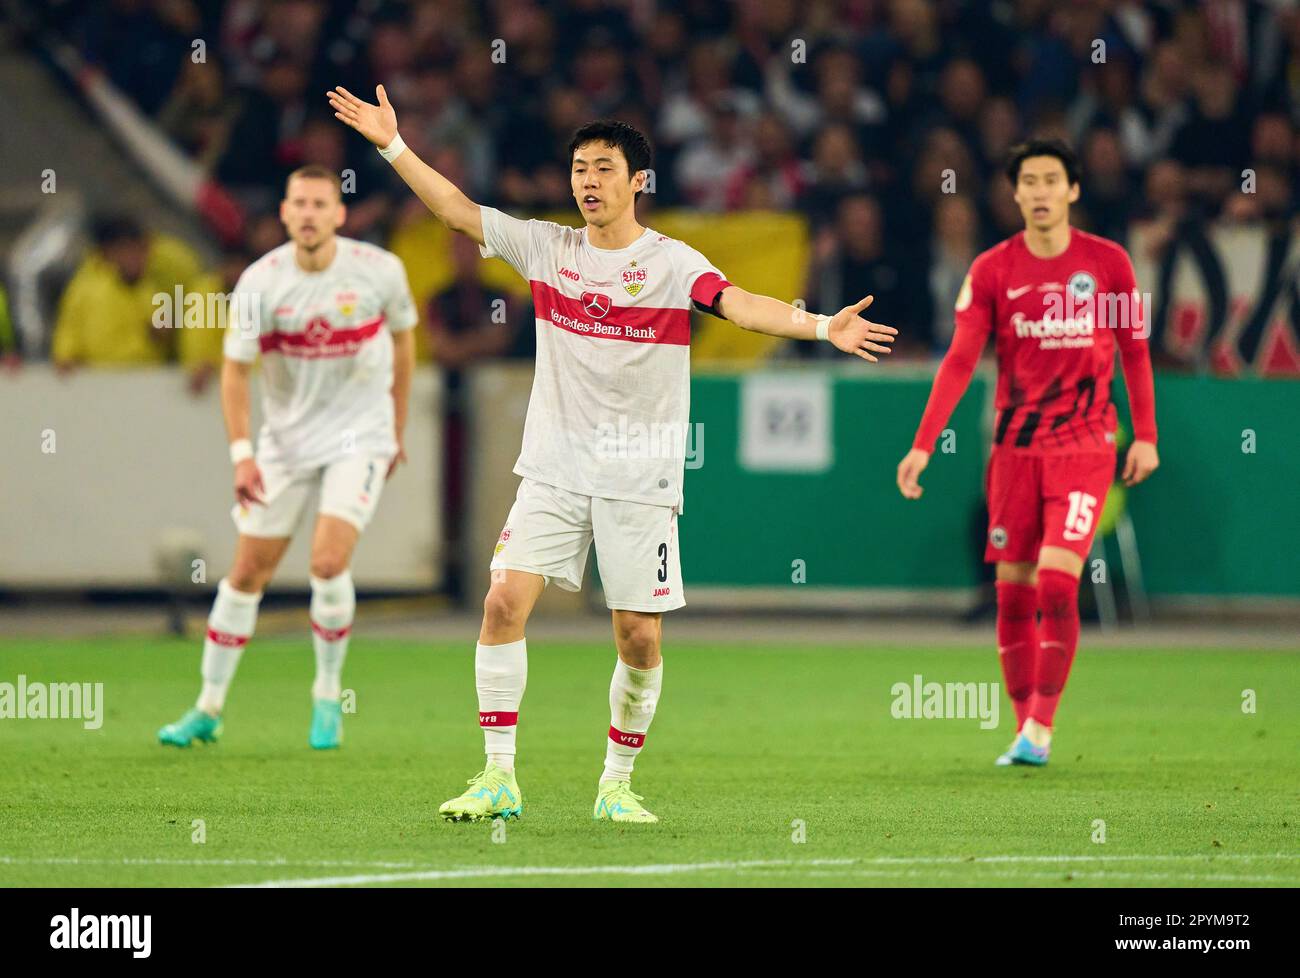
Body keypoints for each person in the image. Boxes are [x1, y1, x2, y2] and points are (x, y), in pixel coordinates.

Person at [327, 83, 897, 823]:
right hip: (555, 467)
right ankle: (498, 777)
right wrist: (393, 145)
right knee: (502, 603)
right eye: (579, 170)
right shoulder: (547, 247)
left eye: (603, 169)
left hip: (639, 473)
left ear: (637, 182)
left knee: (638, 636)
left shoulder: (670, 262)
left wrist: (823, 328)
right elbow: (456, 212)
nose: (588, 182)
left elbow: (742, 306)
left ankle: (616, 784)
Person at [896, 139, 1159, 767]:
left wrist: (1145, 434)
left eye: (1052, 180)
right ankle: (1026, 731)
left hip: (1085, 446)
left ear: (1072, 190)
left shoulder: (1109, 263)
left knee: (1058, 581)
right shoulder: (992, 270)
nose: (1040, 192)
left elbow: (1135, 350)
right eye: (1029, 182)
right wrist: (922, 444)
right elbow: (961, 361)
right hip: (1014, 452)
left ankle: (1041, 726)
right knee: (1012, 593)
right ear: (1014, 194)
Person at [157, 164, 418, 750]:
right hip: (286, 444)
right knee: (247, 573)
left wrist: (396, 425)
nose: (307, 214)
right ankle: (208, 708)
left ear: (339, 213)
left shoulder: (380, 272)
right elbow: (234, 371)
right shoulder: (260, 282)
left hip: (359, 435)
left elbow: (404, 341)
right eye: (298, 203)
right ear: (283, 212)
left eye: (319, 204)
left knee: (327, 563)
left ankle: (327, 696)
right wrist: (243, 455)